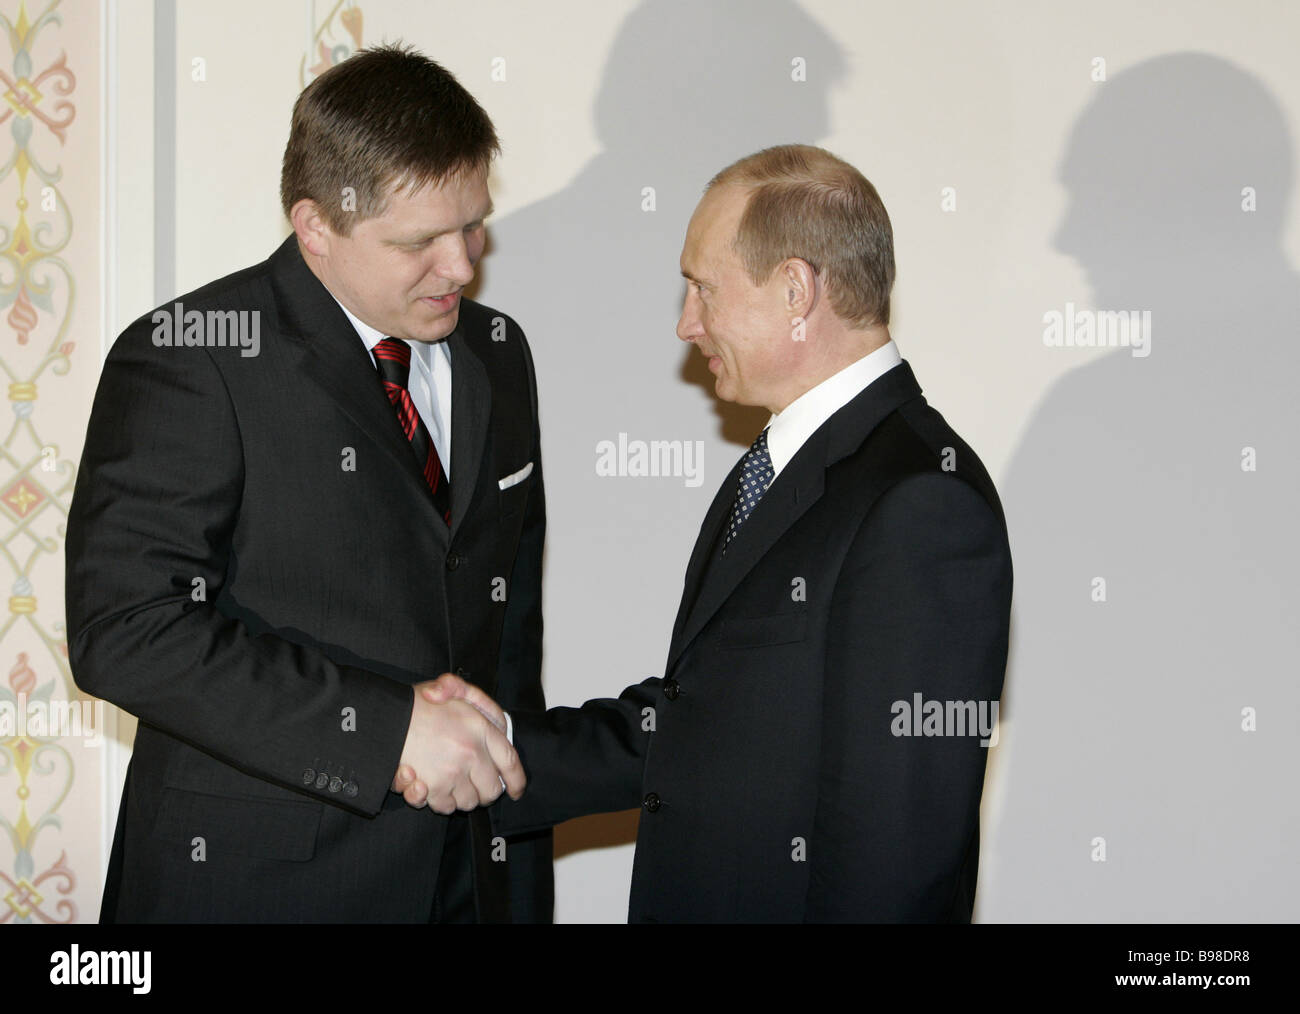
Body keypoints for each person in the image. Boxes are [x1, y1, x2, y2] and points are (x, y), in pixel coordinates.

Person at [413, 144, 1013, 922]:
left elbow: (900, 850)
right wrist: (495, 749)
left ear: (795, 290)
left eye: (703, 288)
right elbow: (699, 718)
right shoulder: (775, 468)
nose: (686, 324)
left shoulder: (920, 502)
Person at [65, 44, 551, 923]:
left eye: (473, 224)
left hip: (468, 886)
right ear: (315, 225)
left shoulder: (500, 354)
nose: (462, 267)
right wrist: (388, 728)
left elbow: (507, 636)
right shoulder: (193, 356)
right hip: (256, 889)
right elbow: (126, 628)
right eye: (419, 241)